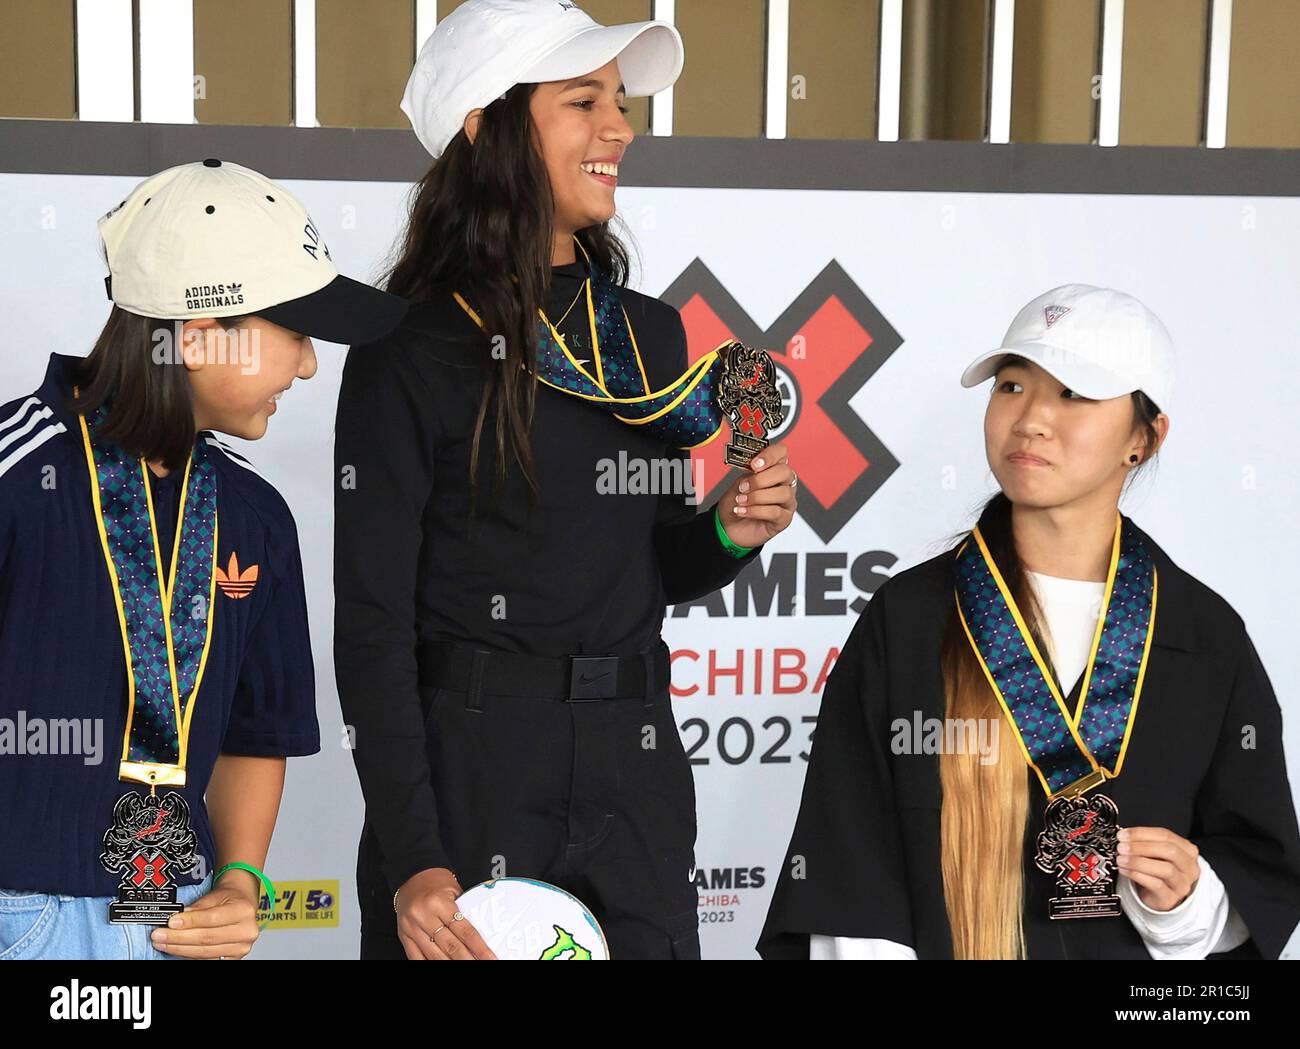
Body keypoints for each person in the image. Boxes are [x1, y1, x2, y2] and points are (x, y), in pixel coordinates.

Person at [334, 0, 797, 961]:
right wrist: (415, 853)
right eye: (583, 101)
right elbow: (372, 626)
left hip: (636, 769)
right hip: (473, 776)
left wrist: (729, 532)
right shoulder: (404, 346)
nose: (619, 128)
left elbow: (653, 568)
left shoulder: (649, 334)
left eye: (619, 102)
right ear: (486, 126)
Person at [758, 284, 1300, 960]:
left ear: (1144, 436)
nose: (1033, 418)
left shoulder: (1203, 637)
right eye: (1012, 386)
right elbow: (849, 871)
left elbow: (1259, 876)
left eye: (1073, 393)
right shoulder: (910, 620)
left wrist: (1187, 904)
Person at [0, 159, 407, 960]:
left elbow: (257, 731)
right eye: (295, 331)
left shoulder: (256, 515)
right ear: (196, 334)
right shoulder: (17, 473)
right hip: (23, 916)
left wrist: (240, 879)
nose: (309, 363)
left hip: (179, 926)